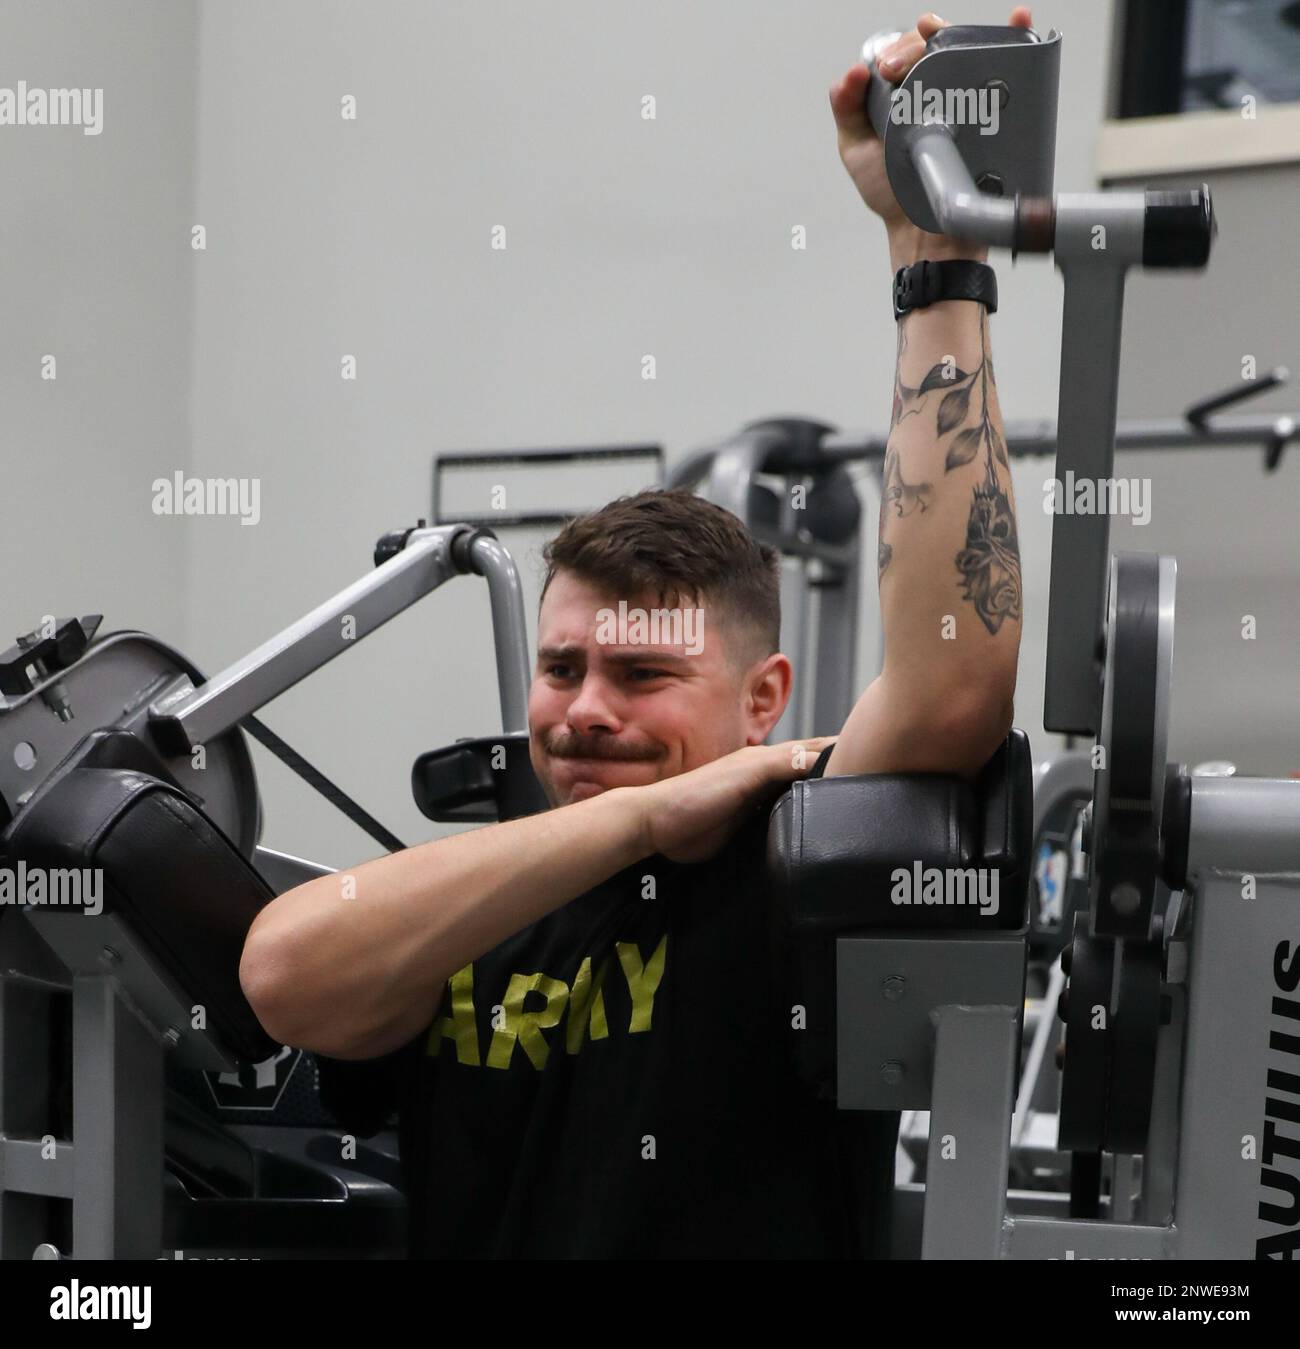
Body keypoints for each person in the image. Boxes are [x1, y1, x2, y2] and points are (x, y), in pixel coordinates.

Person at [238, 8, 1027, 1258]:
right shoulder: (480, 900)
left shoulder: (788, 863)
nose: (585, 707)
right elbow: (285, 971)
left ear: (764, 699)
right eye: (562, 668)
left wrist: (928, 254)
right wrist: (636, 817)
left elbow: (953, 673)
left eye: (644, 671)